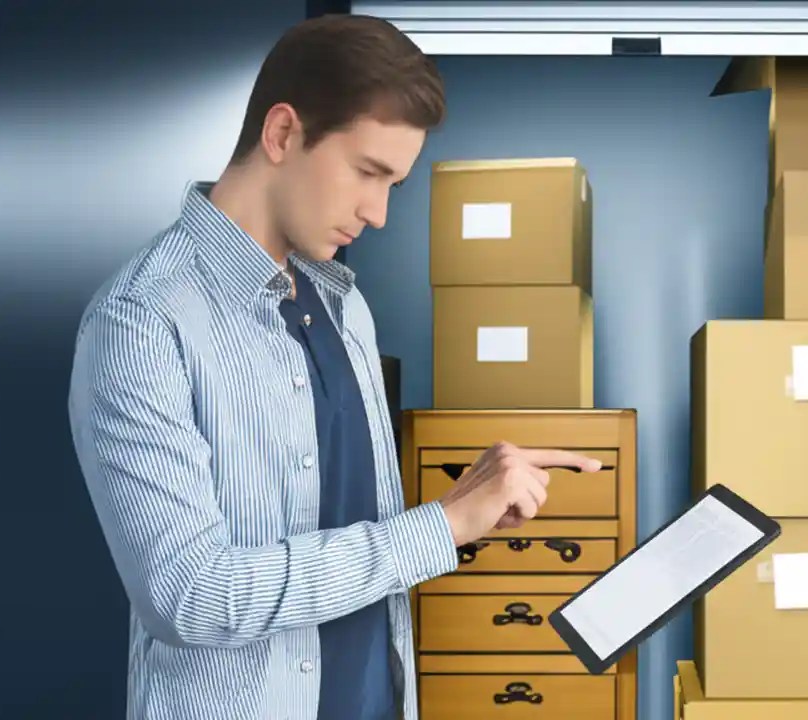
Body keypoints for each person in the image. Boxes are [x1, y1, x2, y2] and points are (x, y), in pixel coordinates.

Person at [67, 14, 601, 720]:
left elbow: (357, 533)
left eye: (394, 186)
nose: (377, 213)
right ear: (283, 133)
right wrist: (438, 527)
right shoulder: (141, 322)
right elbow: (188, 596)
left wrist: (469, 504)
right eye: (367, 173)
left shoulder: (346, 308)